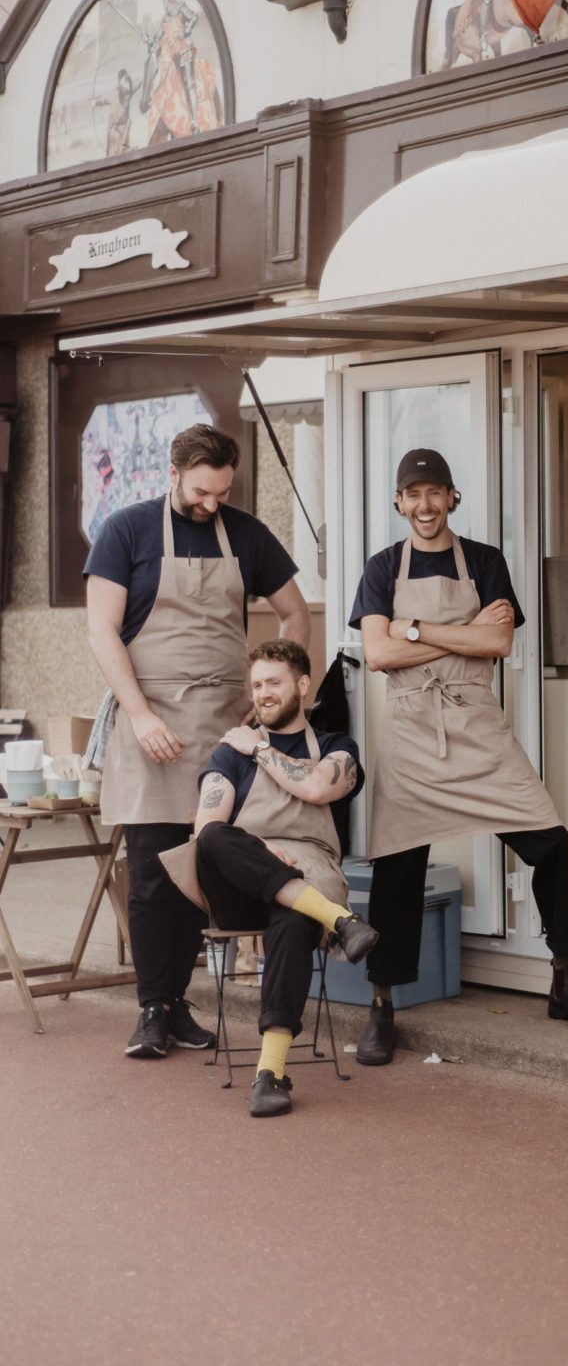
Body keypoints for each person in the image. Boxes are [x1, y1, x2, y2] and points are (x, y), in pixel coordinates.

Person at [349, 447, 568, 1068]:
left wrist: (412, 629)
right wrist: (454, 636)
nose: (424, 505)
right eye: (412, 495)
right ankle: (382, 1003)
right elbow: (378, 657)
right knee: (396, 866)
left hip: (476, 725)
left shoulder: (487, 561)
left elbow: (497, 640)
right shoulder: (382, 566)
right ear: (398, 502)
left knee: (549, 841)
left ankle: (565, 975)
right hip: (412, 732)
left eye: (434, 493)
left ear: (452, 498)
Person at [85, 423, 310, 1060]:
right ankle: (154, 1009)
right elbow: (102, 633)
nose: (213, 503)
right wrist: (139, 716)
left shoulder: (245, 533)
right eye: (202, 491)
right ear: (174, 473)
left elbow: (296, 613)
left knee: (208, 867)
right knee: (156, 873)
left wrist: (272, 698)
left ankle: (181, 1004)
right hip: (151, 721)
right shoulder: (125, 530)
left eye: (223, 492)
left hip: (226, 726)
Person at [191, 639, 375, 1118]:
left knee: (292, 922)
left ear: (302, 685)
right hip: (239, 884)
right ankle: (339, 920)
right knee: (215, 839)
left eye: (273, 682)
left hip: (309, 872)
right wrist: (258, 848)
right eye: (256, 685)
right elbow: (206, 827)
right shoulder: (229, 754)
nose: (263, 694)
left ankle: (269, 1074)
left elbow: (317, 787)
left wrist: (261, 749)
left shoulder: (337, 747)